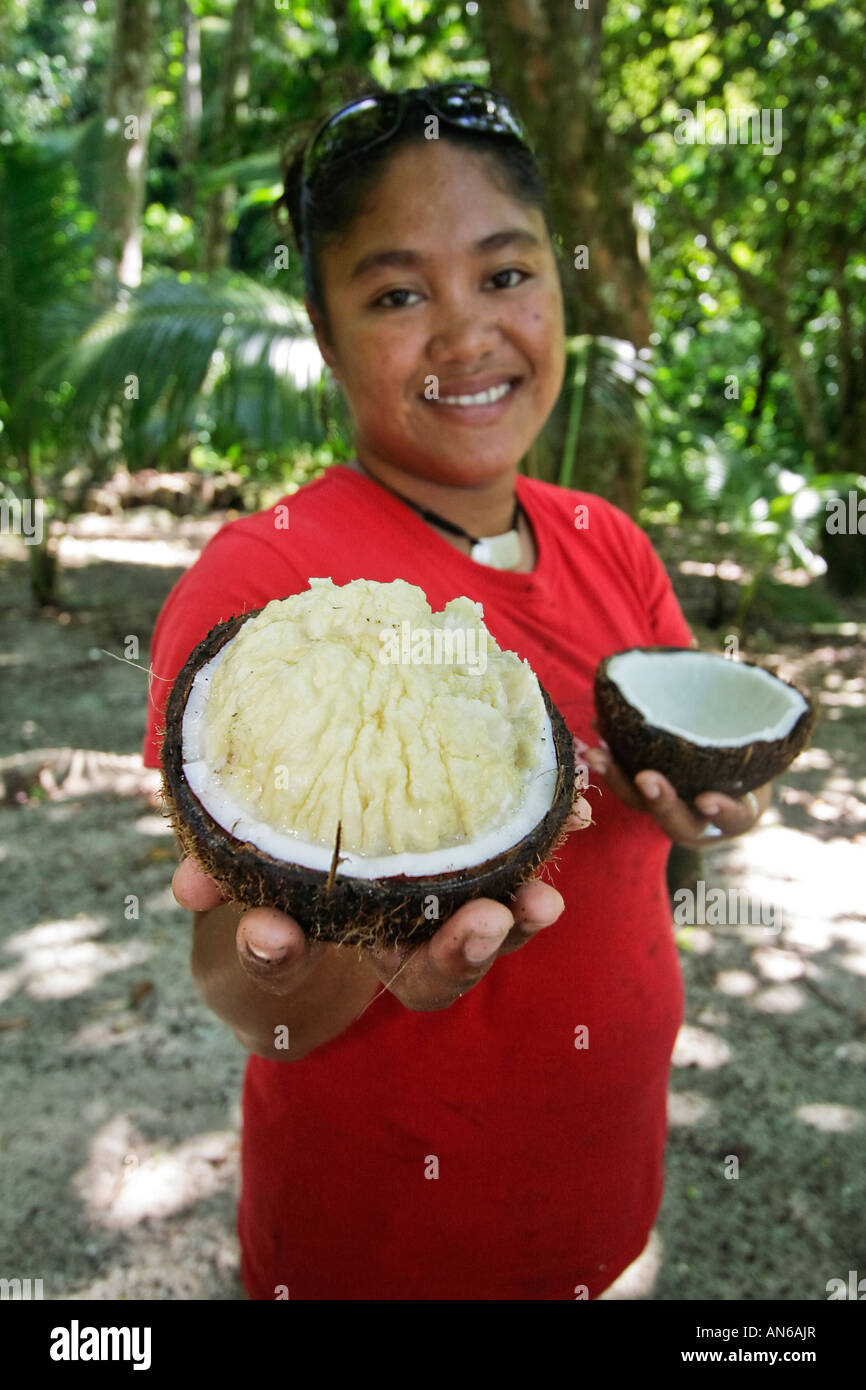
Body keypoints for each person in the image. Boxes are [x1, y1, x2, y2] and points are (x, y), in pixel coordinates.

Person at [142, 83, 770, 1301]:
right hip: (374, 1246)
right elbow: (236, 978)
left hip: (600, 1198)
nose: (465, 334)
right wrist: (344, 936)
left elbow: (655, 804)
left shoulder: (609, 542)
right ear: (324, 337)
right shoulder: (263, 588)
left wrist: (701, 808)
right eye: (394, 294)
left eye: (503, 274)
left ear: (558, 285)